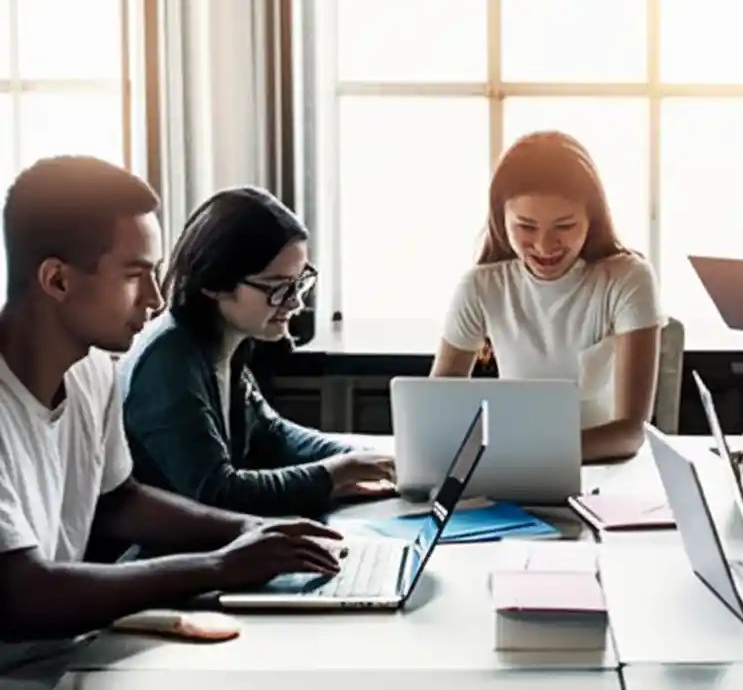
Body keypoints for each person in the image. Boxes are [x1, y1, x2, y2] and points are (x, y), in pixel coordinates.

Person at [0, 157, 343, 673]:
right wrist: (219, 565)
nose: (157, 297)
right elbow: (23, 593)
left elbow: (119, 501)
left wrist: (250, 529)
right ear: (56, 280)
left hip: (68, 650)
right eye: (135, 275)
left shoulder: (91, 369)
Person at [120, 187, 395, 519]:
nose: (296, 302)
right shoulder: (168, 361)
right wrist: (336, 472)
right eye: (278, 287)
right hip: (160, 557)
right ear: (214, 283)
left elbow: (271, 434)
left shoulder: (227, 340)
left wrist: (362, 456)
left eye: (300, 282)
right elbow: (219, 493)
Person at [432, 131, 662, 463]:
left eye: (564, 226)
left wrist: (533, 453)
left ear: (590, 218)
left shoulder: (627, 278)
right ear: (502, 219)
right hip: (512, 469)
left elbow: (630, 432)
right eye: (526, 227)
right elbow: (437, 409)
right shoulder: (480, 286)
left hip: (600, 472)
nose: (544, 246)